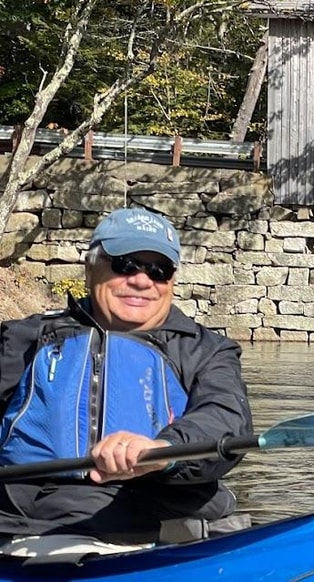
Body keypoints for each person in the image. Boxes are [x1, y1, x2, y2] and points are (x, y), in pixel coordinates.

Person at [0, 208, 253, 545]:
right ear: (90, 269)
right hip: (23, 526)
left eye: (159, 271)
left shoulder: (208, 351)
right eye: (126, 265)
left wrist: (162, 451)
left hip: (156, 527)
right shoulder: (24, 338)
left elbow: (223, 419)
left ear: (172, 282)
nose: (142, 280)